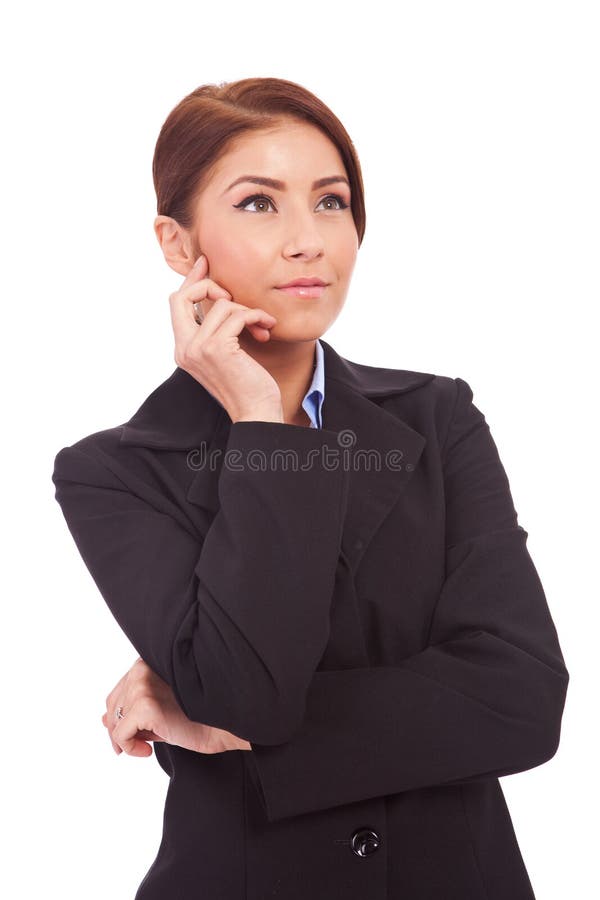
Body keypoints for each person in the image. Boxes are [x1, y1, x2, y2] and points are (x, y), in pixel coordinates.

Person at [51, 77, 569, 900]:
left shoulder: (439, 418)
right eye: (259, 203)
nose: (308, 241)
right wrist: (260, 420)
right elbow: (251, 693)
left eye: (331, 202)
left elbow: (523, 701)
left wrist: (214, 725)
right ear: (179, 245)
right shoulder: (115, 471)